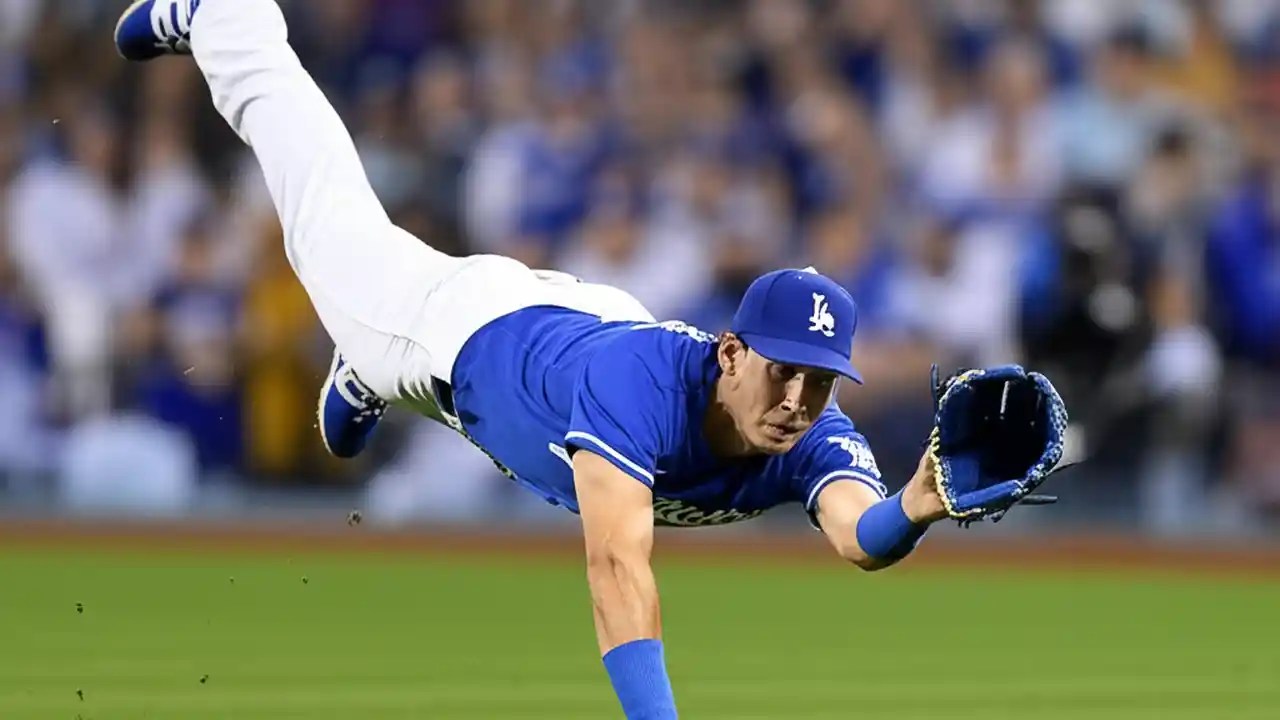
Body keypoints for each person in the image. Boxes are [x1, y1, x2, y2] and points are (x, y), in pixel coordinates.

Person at [115, 2, 950, 717]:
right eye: (784, 370)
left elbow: (858, 536)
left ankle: (365, 372)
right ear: (732, 352)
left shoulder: (807, 423)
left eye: (821, 378)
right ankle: (235, 21)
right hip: (452, 329)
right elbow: (616, 568)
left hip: (582, 320)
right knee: (322, 203)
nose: (799, 398)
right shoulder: (640, 392)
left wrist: (918, 502)